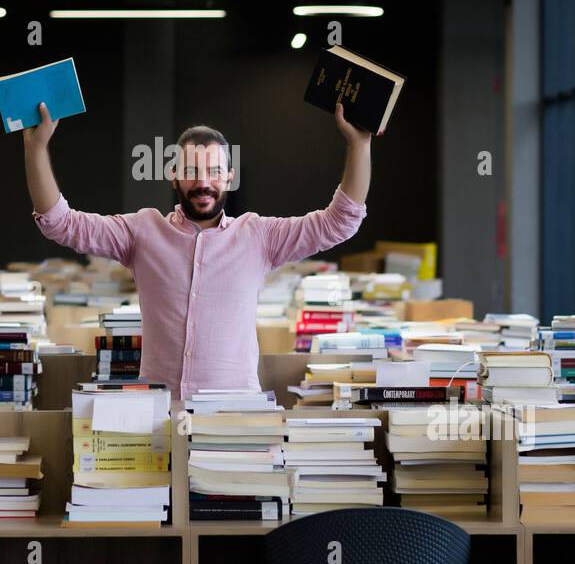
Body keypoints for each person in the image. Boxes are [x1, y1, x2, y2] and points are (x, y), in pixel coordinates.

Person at [23, 101, 371, 398]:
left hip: (234, 416)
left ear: (229, 178)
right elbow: (59, 222)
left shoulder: (258, 236)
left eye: (214, 172)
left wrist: (359, 145)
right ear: (173, 176)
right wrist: (36, 149)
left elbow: (340, 222)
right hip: (162, 413)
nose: (203, 182)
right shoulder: (142, 232)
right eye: (191, 171)